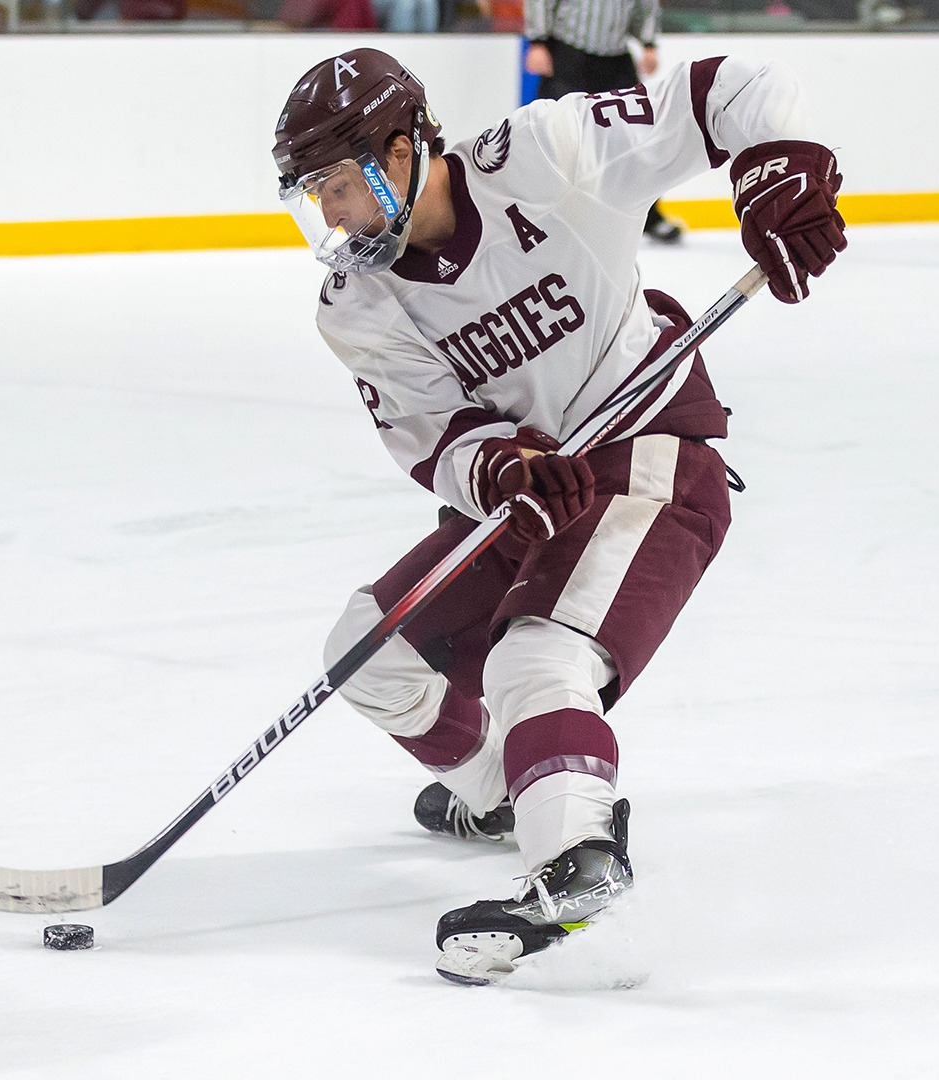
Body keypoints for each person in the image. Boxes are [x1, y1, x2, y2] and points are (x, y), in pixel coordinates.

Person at [270, 48, 843, 983]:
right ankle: (506, 794)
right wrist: (496, 469)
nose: (331, 214)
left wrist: (778, 170)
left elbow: (733, 88)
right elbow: (431, 437)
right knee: (365, 653)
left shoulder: (541, 158)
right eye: (315, 195)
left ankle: (577, 859)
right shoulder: (356, 303)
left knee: (537, 654)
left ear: (405, 149)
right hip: (539, 498)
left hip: (654, 454)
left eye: (340, 184)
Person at [524, 0, 685, 243]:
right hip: (568, 51)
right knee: (555, 137)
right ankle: (538, 216)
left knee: (637, 137)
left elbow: (645, 5)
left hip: (615, 58)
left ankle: (648, 216)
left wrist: (649, 44)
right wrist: (538, 42)